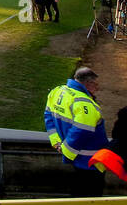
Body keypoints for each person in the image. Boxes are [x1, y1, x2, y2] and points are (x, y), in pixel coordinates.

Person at [44, 67, 109, 197]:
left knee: (77, 191)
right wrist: (67, 152)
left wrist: (57, 143)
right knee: (91, 196)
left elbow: (48, 116)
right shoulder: (85, 103)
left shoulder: (57, 92)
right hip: (90, 160)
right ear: (88, 84)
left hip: (75, 158)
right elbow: (81, 131)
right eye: (96, 85)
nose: (97, 88)